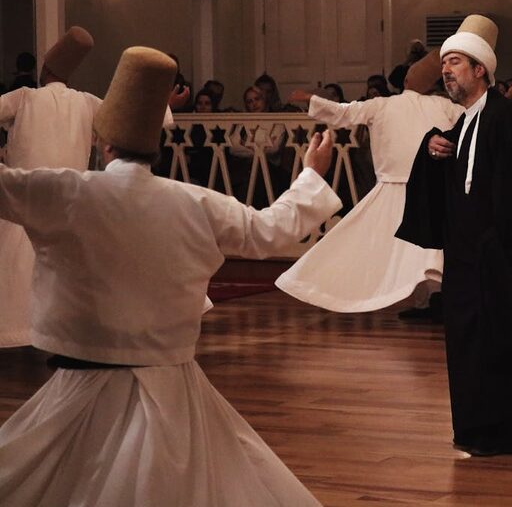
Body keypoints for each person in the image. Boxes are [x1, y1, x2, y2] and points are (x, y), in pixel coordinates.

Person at [0, 46, 340, 506]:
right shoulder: (196, 204)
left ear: (104, 144)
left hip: (79, 386)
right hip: (173, 388)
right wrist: (310, 176)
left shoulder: (64, 191)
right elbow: (272, 233)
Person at [396, 14, 512, 456]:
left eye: (456, 62)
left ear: (480, 71)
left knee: (497, 345)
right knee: (473, 347)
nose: (447, 70)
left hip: (496, 261)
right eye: (445, 62)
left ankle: (504, 432)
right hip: (471, 260)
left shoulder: (501, 116)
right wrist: (434, 148)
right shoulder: (468, 119)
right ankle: (480, 430)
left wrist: (497, 253)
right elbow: (460, 172)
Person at [277, 50, 463, 314]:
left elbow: (343, 113)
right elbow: (472, 120)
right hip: (421, 189)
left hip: (405, 190)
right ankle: (431, 299)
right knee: (426, 248)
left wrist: (311, 100)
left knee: (413, 248)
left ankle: (431, 300)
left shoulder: (388, 105)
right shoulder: (441, 106)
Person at [0, 27, 101, 347]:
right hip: (71, 203)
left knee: (16, 266)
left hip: (25, 199)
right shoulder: (87, 102)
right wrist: (167, 105)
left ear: (44, 71)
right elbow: (126, 114)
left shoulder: (25, 97)